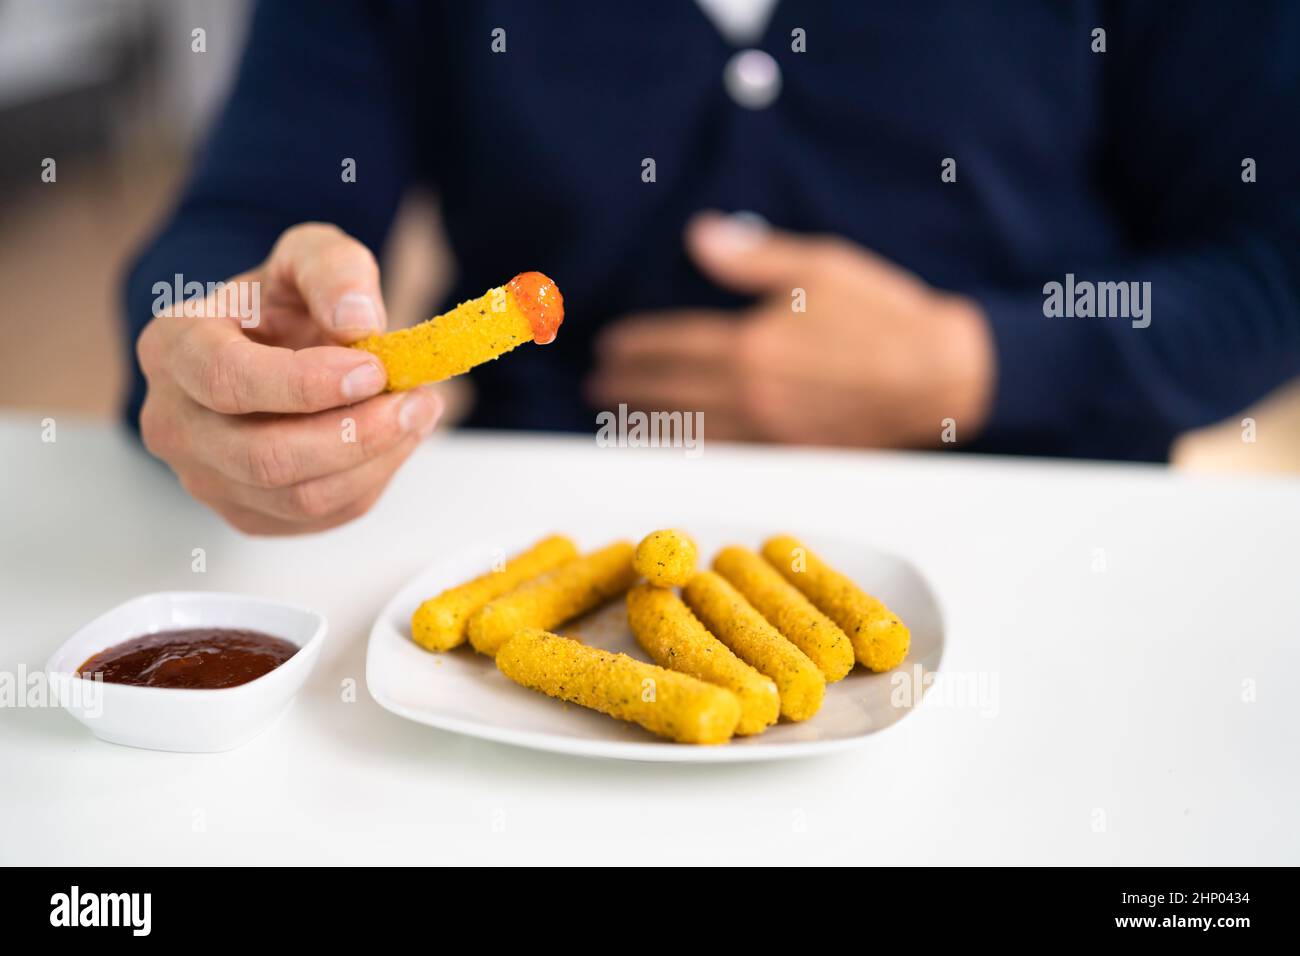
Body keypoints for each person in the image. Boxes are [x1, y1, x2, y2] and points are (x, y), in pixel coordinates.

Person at [124, 1, 1300, 534]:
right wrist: (214, 364)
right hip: (538, 552)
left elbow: (1274, 264)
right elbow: (239, 227)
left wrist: (974, 365)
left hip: (1043, 554)